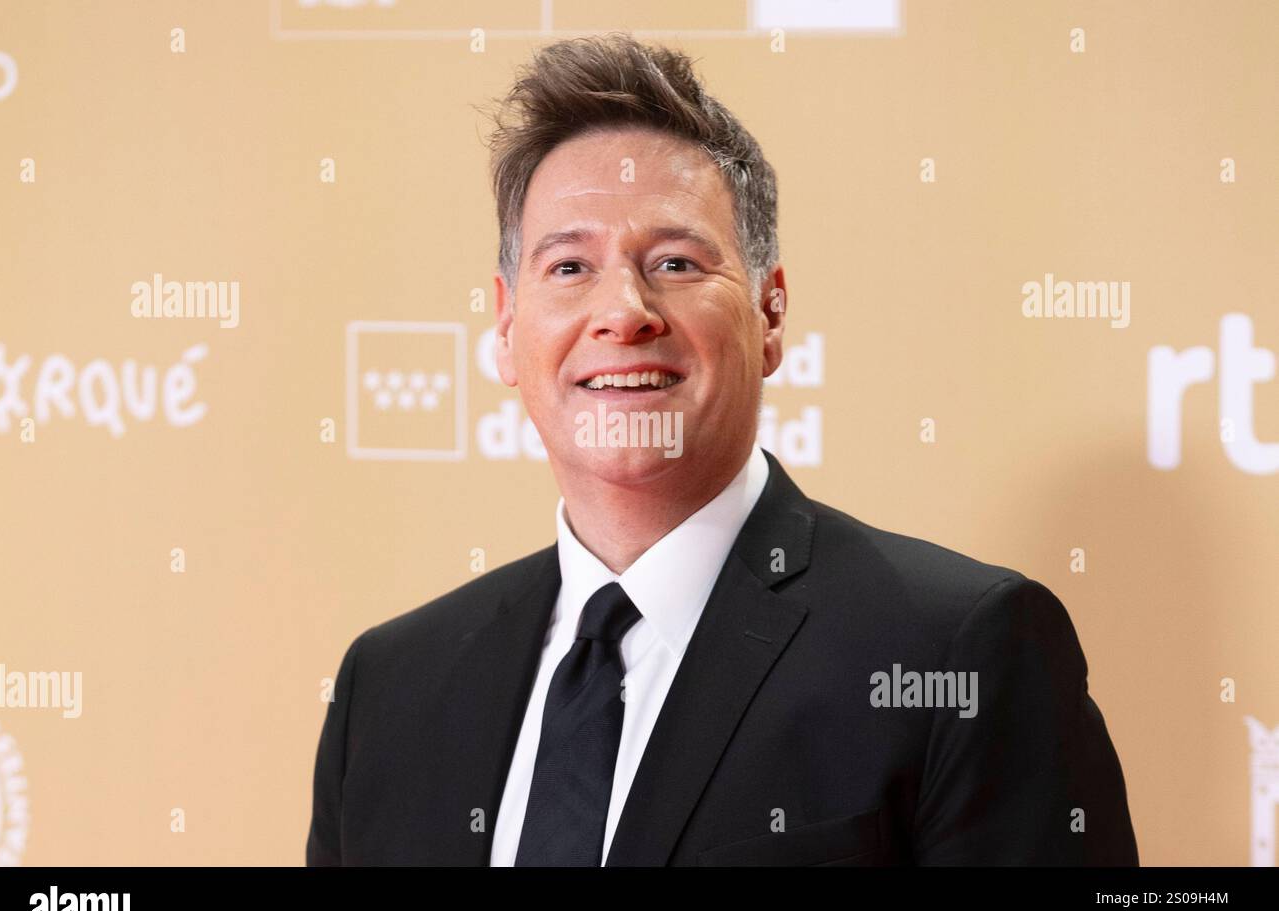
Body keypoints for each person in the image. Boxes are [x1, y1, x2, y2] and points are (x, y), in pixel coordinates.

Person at [306, 33, 1138, 866]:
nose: (623, 311)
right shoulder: (389, 689)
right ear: (505, 324)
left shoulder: (959, 652)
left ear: (770, 316)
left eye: (675, 261)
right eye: (568, 267)